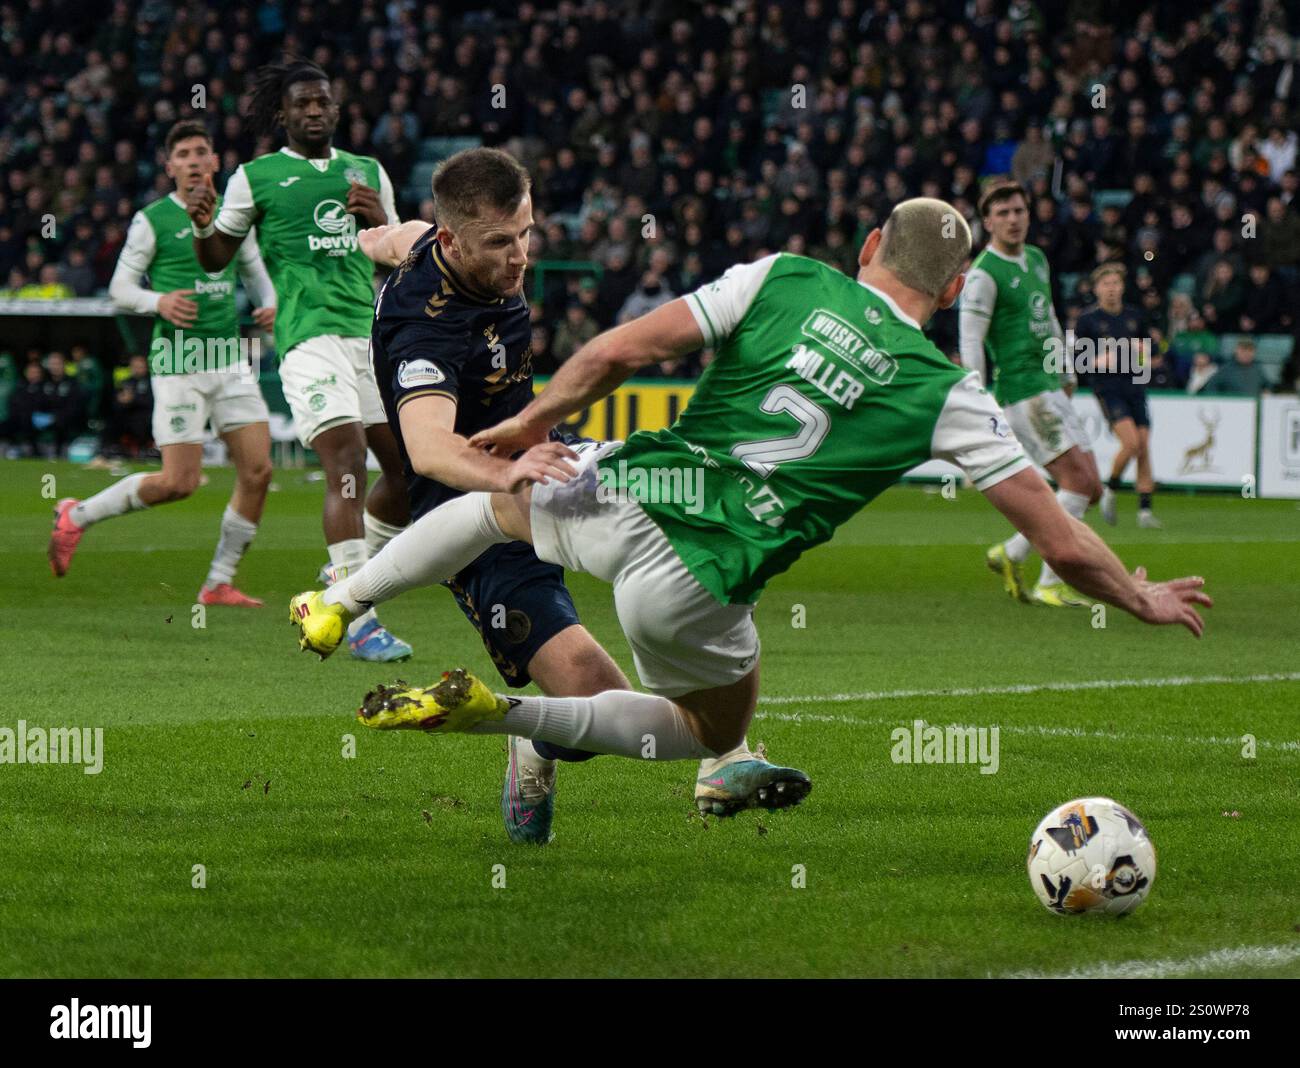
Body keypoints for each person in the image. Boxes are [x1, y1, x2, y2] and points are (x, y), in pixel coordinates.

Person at [291, 199, 1210, 790]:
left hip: (642, 485)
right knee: (705, 732)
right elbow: (1058, 543)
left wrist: (535, 424)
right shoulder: (948, 393)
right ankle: (512, 719)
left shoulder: (784, 276)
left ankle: (340, 598)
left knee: (497, 509)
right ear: (959, 287)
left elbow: (619, 353)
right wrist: (1140, 598)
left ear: (868, 246)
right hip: (702, 580)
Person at [294, 147, 810, 842]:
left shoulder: (430, 242)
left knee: (692, 533)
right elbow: (429, 449)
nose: (521, 258)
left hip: (544, 458)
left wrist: (362, 239)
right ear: (455, 241)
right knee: (594, 700)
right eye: (501, 243)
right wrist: (504, 476)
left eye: (527, 234)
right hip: (470, 509)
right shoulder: (428, 331)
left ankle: (726, 755)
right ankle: (533, 748)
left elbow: (395, 236)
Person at [185, 58, 413, 661]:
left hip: (369, 339)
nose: (315, 111)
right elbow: (214, 259)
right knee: (344, 461)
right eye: (303, 104)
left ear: (337, 110)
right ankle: (357, 612)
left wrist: (381, 222)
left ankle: (342, 571)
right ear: (282, 114)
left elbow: (400, 259)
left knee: (408, 475)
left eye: (324, 102)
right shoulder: (254, 177)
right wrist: (203, 223)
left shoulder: (368, 172)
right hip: (307, 339)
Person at [49, 122, 275, 603]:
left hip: (229, 358)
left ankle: (218, 582)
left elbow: (255, 273)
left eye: (201, 151)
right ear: (170, 166)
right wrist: (159, 303)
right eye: (184, 154)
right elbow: (119, 289)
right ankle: (77, 515)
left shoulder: (236, 217)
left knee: (258, 472)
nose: (194, 160)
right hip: (178, 360)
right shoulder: (151, 219)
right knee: (179, 482)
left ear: (215, 161)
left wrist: (269, 304)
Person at [960, 182, 1101, 608]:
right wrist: (978, 401)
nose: (1013, 219)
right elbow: (971, 343)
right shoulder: (984, 274)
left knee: (1089, 486)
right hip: (1022, 391)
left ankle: (1013, 552)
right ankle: (1049, 581)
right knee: (1079, 482)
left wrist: (1067, 368)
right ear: (987, 222)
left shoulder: (1037, 259)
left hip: (1049, 384)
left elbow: (1050, 318)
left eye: (1019, 210)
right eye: (1002, 213)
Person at [1075, 264, 1161, 528]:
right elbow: (1079, 361)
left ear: (1122, 287)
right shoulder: (1088, 320)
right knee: (1131, 443)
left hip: (1135, 386)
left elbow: (1152, 353)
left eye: (1115, 283)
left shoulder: (1135, 316)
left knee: (1144, 446)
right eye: (1106, 284)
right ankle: (1109, 490)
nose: (1111, 289)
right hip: (1108, 387)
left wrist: (1141, 353)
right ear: (1097, 289)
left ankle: (1145, 511)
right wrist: (1101, 360)